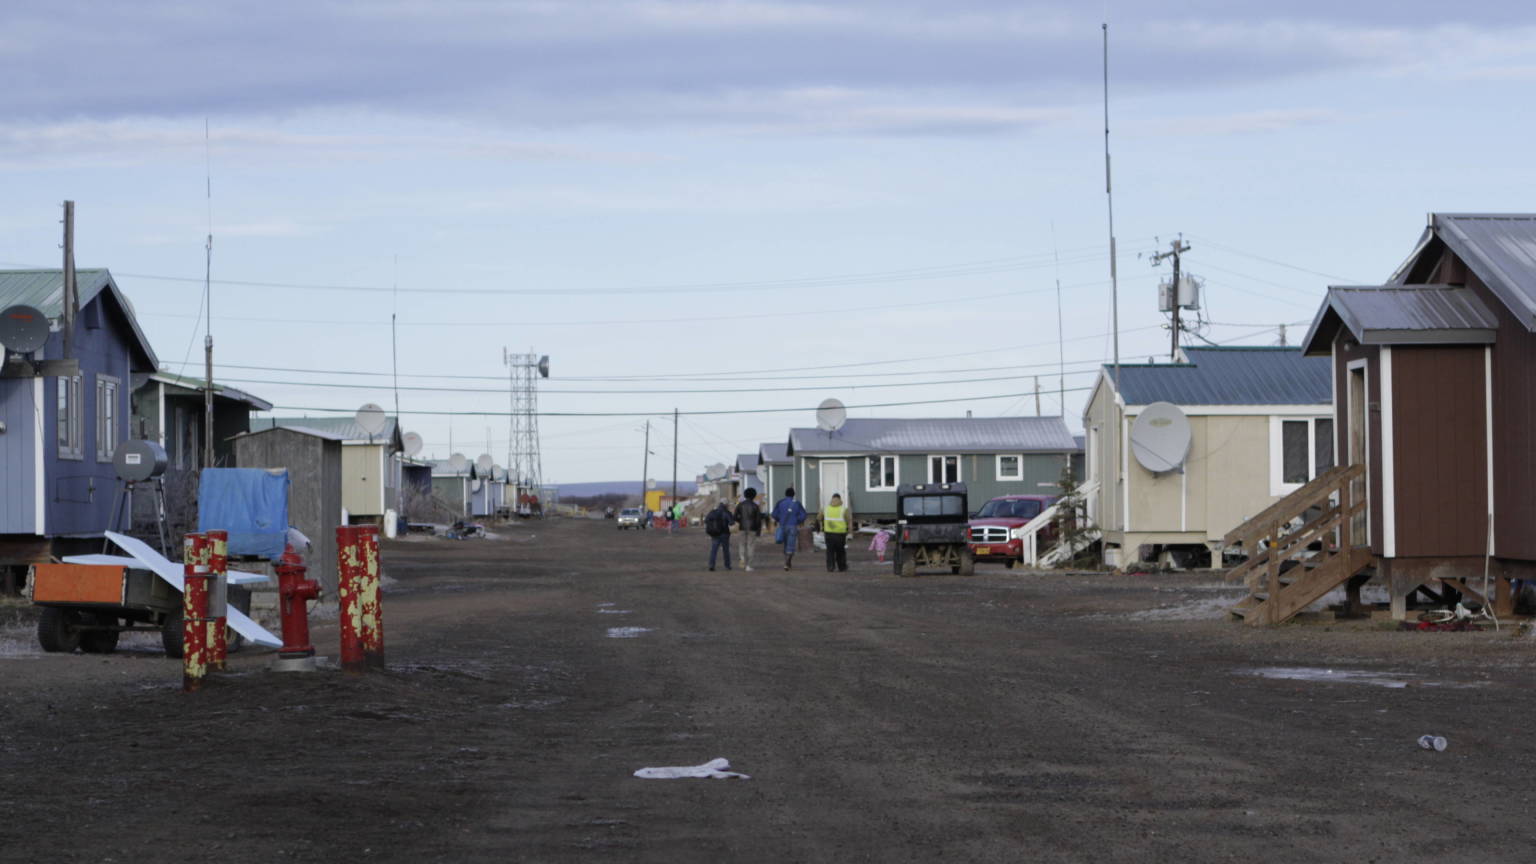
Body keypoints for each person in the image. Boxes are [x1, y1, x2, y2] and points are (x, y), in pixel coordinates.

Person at [771, 487, 807, 571]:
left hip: (782, 526)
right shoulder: (797, 503)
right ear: (794, 495)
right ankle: (788, 562)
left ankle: (787, 561)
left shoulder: (780, 502)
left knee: (785, 545)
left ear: (785, 494)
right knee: (791, 545)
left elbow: (774, 514)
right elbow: (803, 515)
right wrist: (797, 520)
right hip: (793, 526)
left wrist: (780, 519)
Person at [818, 492, 851, 572]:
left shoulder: (825, 509)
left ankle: (830, 567)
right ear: (840, 499)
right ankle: (842, 567)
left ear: (832, 499)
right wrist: (849, 531)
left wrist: (822, 526)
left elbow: (819, 518)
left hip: (828, 533)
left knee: (830, 551)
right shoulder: (844, 509)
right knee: (840, 551)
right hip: (840, 534)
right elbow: (848, 520)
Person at [733, 488, 764, 572]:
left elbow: (734, 517)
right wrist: (758, 531)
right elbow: (758, 520)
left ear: (745, 495)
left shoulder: (740, 505)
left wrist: (740, 521)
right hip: (753, 528)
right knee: (750, 546)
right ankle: (749, 565)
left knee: (742, 544)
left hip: (742, 527)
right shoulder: (755, 506)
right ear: (754, 495)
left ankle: (742, 559)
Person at [704, 500, 736, 571]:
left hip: (714, 533)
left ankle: (711, 565)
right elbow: (731, 523)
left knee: (714, 550)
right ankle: (727, 565)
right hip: (725, 534)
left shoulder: (712, 512)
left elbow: (706, 520)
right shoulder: (727, 512)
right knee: (726, 550)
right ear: (726, 505)